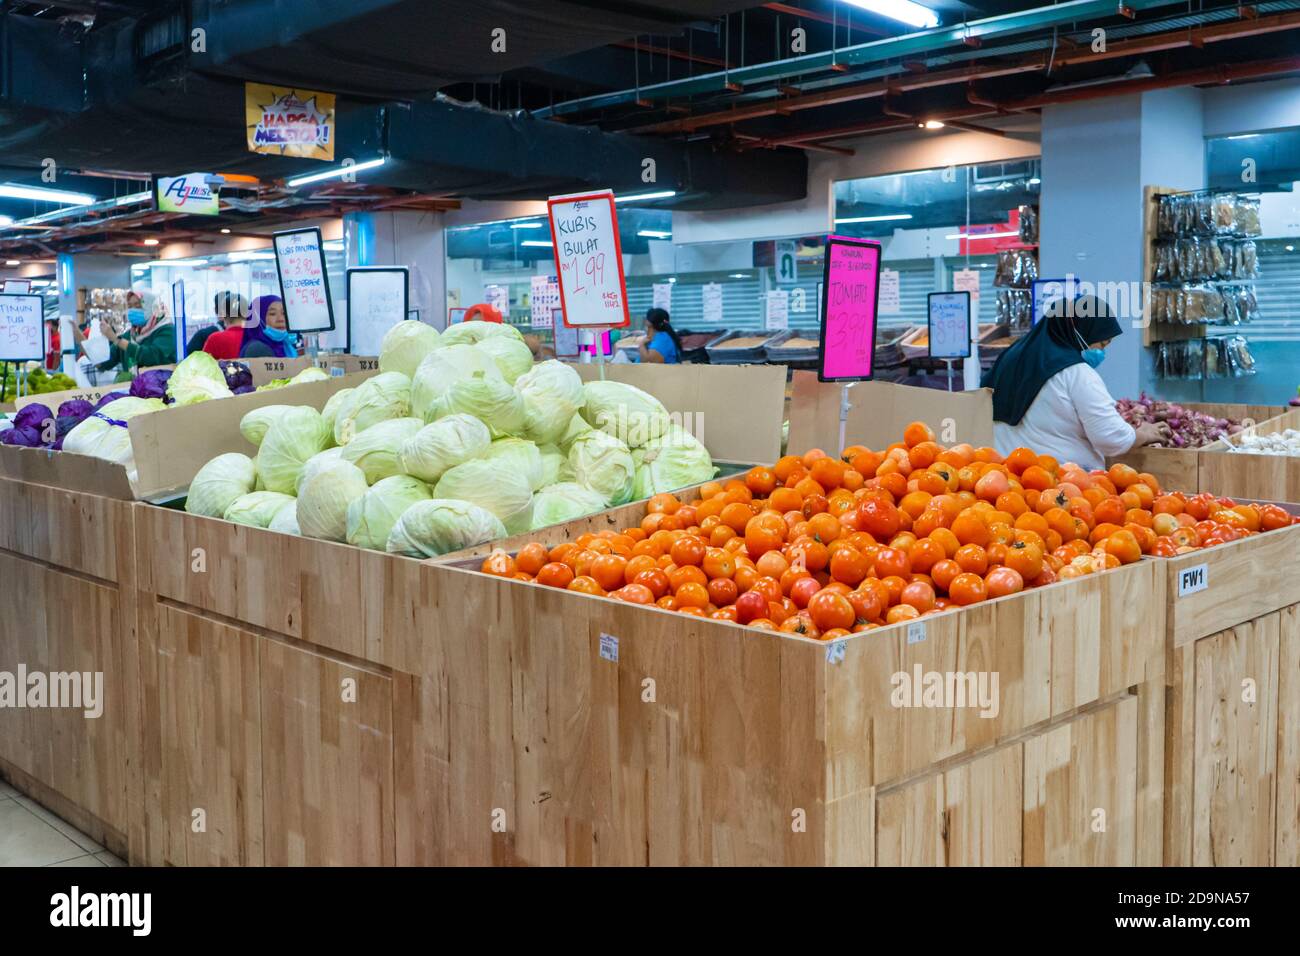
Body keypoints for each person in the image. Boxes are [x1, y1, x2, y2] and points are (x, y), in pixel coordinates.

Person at [982, 296, 1170, 471]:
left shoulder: (1009, 359)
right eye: (1102, 344)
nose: (1102, 353)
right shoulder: (1077, 373)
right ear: (1081, 334)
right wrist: (1143, 434)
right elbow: (1110, 438)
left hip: (1008, 475)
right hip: (1062, 480)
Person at [96, 291, 176, 381]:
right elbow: (103, 363)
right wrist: (79, 337)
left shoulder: (167, 330)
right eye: (130, 306)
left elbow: (151, 356)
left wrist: (116, 340)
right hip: (137, 390)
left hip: (161, 388)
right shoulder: (130, 335)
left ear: (153, 307)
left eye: (137, 306)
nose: (133, 310)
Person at [204, 294, 298, 359]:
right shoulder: (257, 342)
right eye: (272, 313)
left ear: (223, 314)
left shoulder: (215, 339)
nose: (280, 319)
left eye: (283, 313)